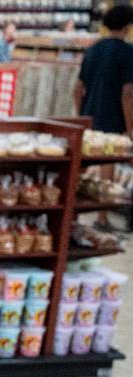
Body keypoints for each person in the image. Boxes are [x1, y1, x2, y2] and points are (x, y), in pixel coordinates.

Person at [75, 5, 133, 228]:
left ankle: (74, 212)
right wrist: (129, 127)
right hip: (112, 117)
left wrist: (81, 115)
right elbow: (127, 93)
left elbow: (78, 88)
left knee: (81, 164)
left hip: (89, 115)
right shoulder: (127, 52)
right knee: (107, 164)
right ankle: (101, 217)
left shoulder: (92, 50)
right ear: (127, 27)